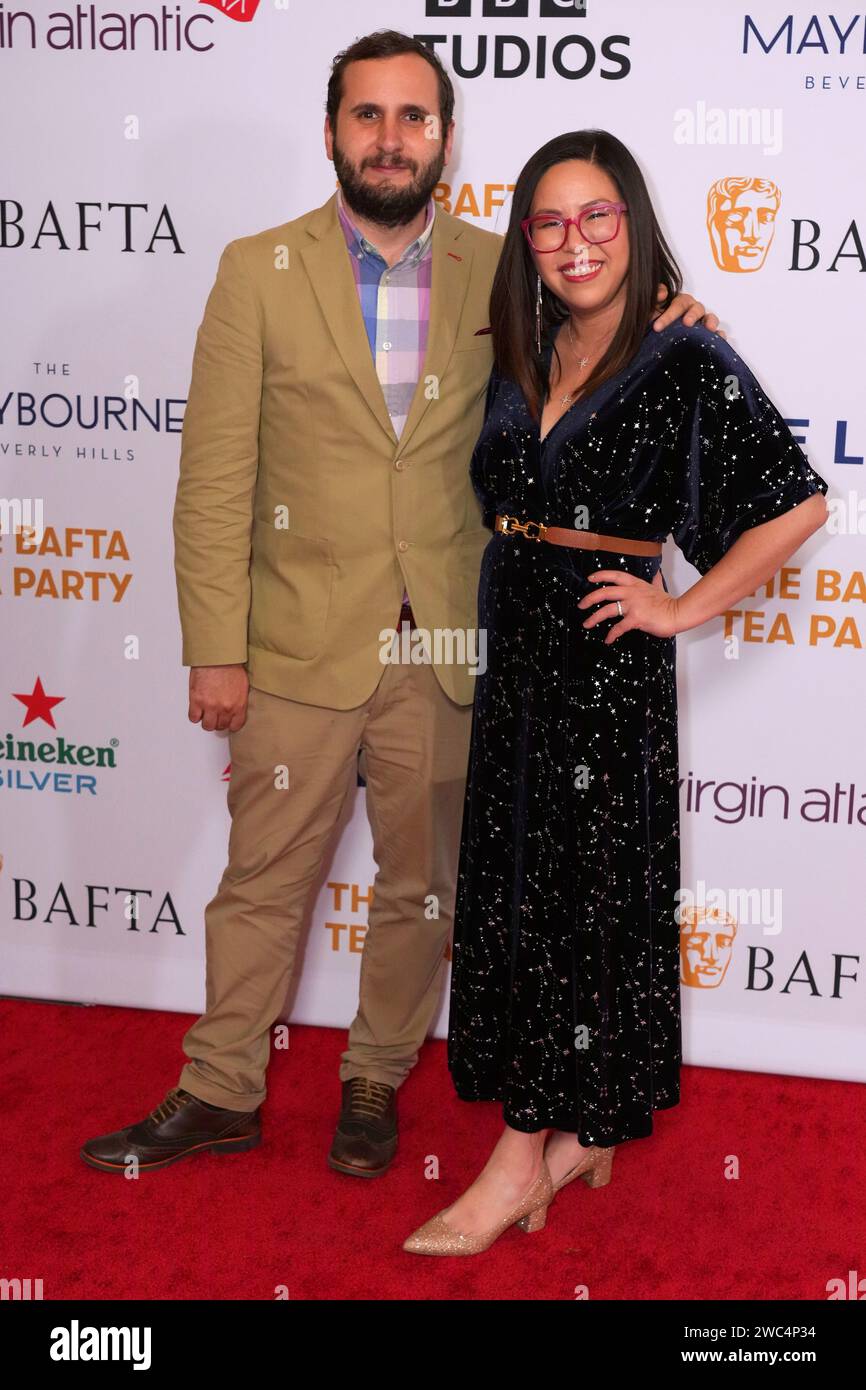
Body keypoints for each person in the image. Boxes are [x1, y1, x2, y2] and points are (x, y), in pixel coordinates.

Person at [80, 37, 716, 1179]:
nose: (389, 137)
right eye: (366, 116)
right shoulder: (252, 269)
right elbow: (214, 479)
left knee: (421, 889)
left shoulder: (500, 269)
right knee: (263, 882)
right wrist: (212, 650)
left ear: (444, 139)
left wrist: (670, 317)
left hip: (454, 644)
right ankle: (222, 1084)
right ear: (331, 132)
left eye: (412, 118)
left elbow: (593, 334)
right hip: (292, 643)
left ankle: (372, 1078)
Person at [403, 129, 828, 1255]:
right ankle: (583, 1129)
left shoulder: (682, 356)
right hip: (516, 671)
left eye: (597, 216)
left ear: (632, 226)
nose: (572, 240)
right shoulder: (525, 349)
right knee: (520, 899)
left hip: (601, 675)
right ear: (525, 241)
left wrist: (679, 608)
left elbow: (797, 506)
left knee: (570, 909)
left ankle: (515, 1160)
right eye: (547, 221)